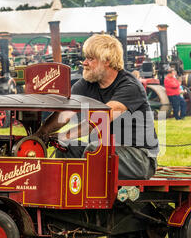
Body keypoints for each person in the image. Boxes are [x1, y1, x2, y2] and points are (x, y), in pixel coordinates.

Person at [35, 33, 158, 180]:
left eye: (90, 59)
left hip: (141, 159)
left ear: (107, 61)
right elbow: (63, 115)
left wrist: (63, 135)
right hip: (108, 150)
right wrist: (40, 135)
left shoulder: (130, 86)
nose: (84, 63)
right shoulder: (86, 84)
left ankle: (88, 198)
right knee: (65, 147)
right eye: (85, 58)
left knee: (94, 149)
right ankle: (67, 195)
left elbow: (99, 120)